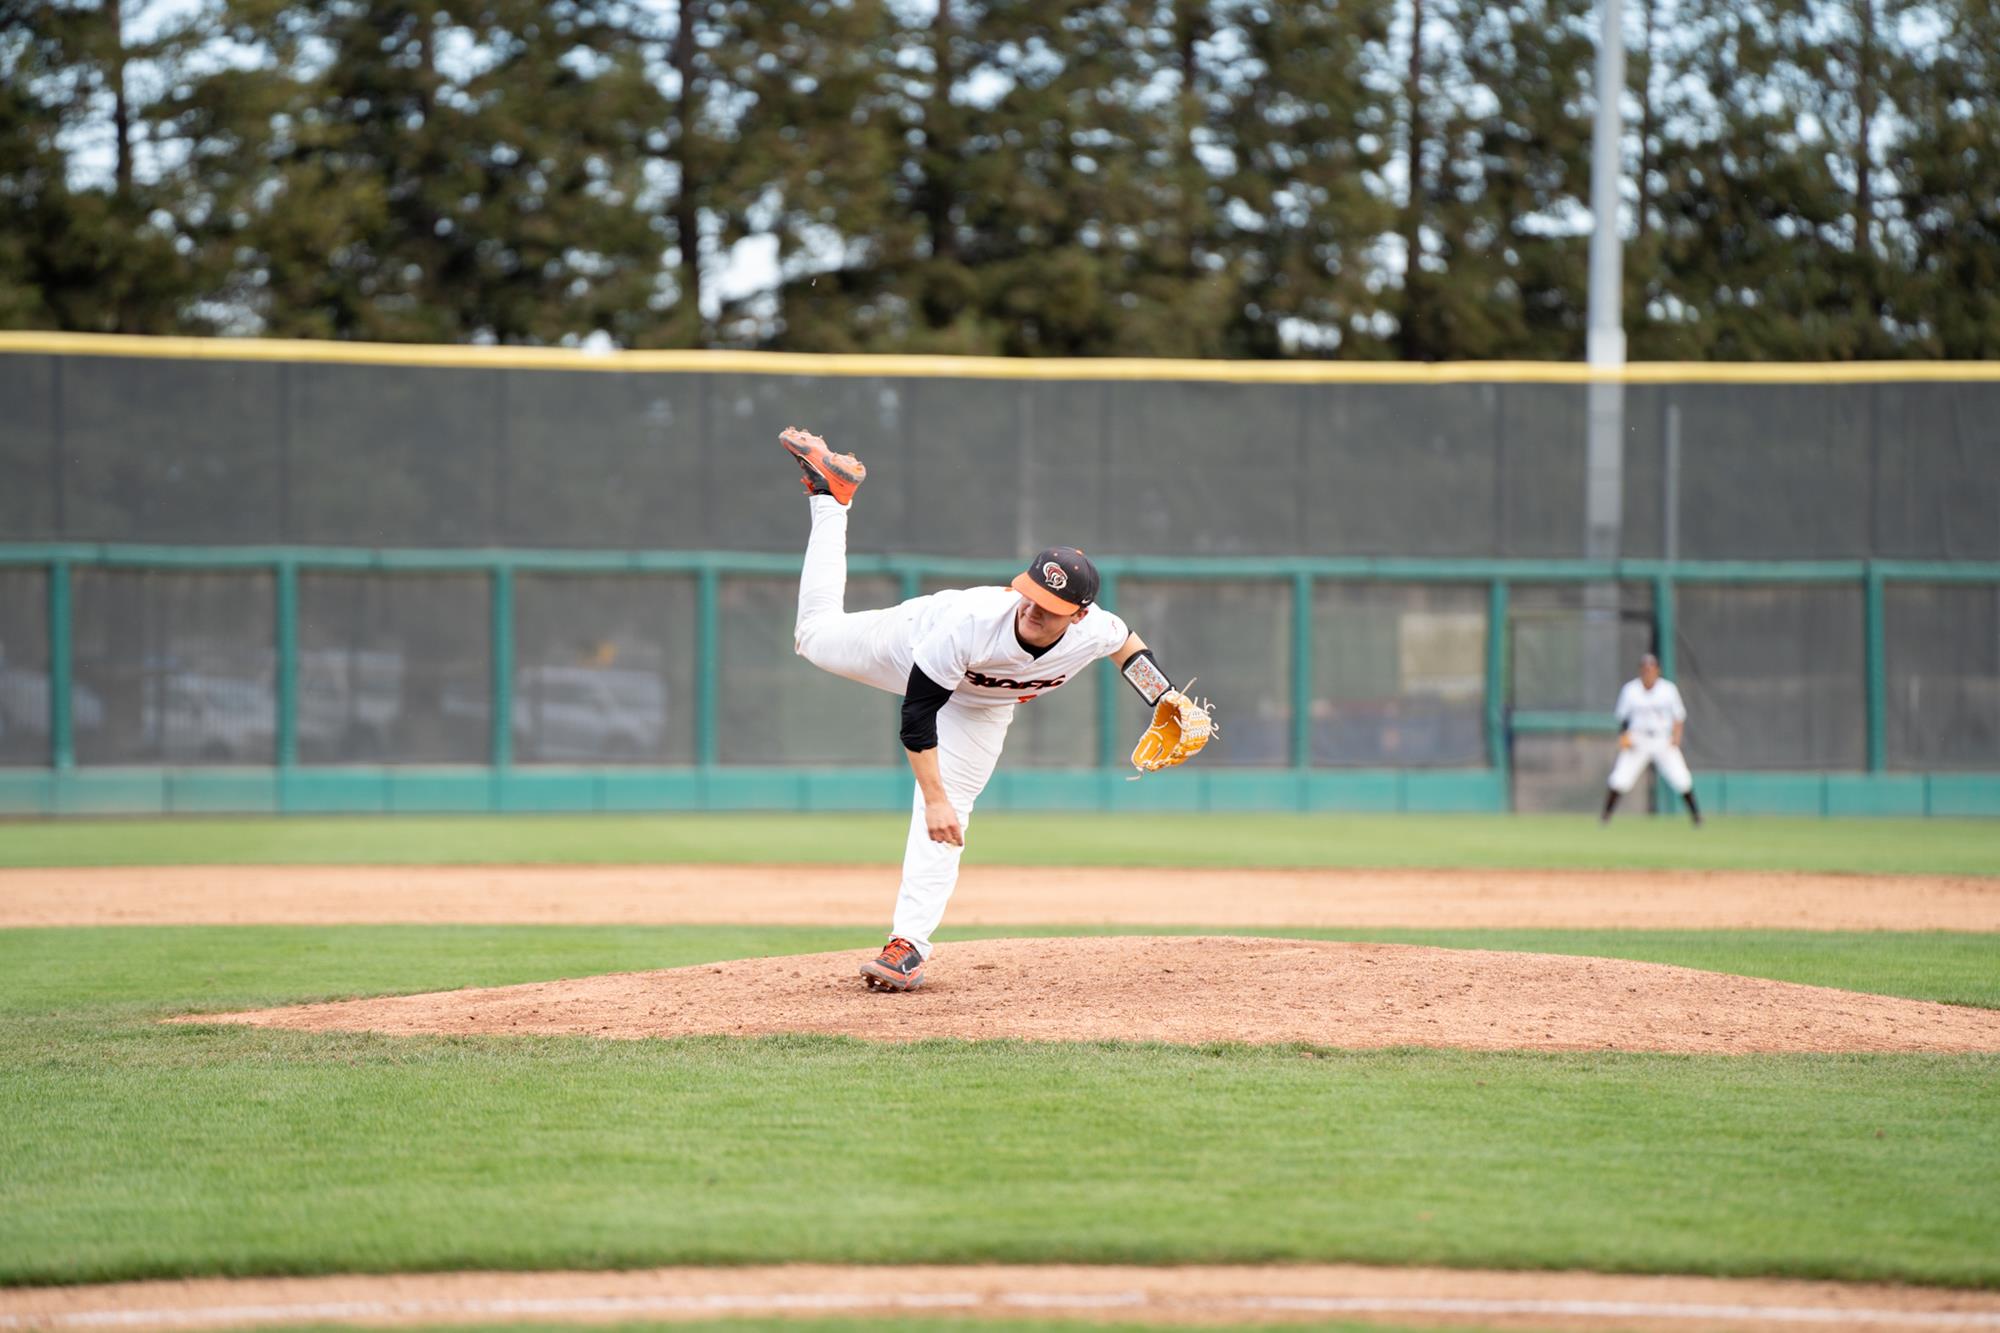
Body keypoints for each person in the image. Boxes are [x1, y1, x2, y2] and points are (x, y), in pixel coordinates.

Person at [779, 426, 1199, 992]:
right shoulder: (970, 625)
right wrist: (932, 798)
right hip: (913, 647)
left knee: (954, 821)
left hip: (984, 708)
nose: (1033, 608)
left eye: (1050, 607)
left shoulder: (1091, 630)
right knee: (812, 637)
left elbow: (1126, 643)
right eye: (1030, 593)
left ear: (1077, 615)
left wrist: (1162, 695)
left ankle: (907, 947)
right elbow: (917, 714)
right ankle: (831, 500)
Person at [1601, 652, 1701, 826]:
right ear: (1641, 670)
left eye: (1651, 668)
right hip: (1638, 739)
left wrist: (1676, 736)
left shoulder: (1668, 689)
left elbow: (1678, 716)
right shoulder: (1630, 690)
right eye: (1645, 668)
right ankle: (1605, 817)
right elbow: (1623, 718)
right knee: (1620, 778)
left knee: (1681, 777)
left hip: (1662, 739)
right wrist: (1624, 736)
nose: (1648, 671)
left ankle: (1696, 817)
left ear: (1657, 670)